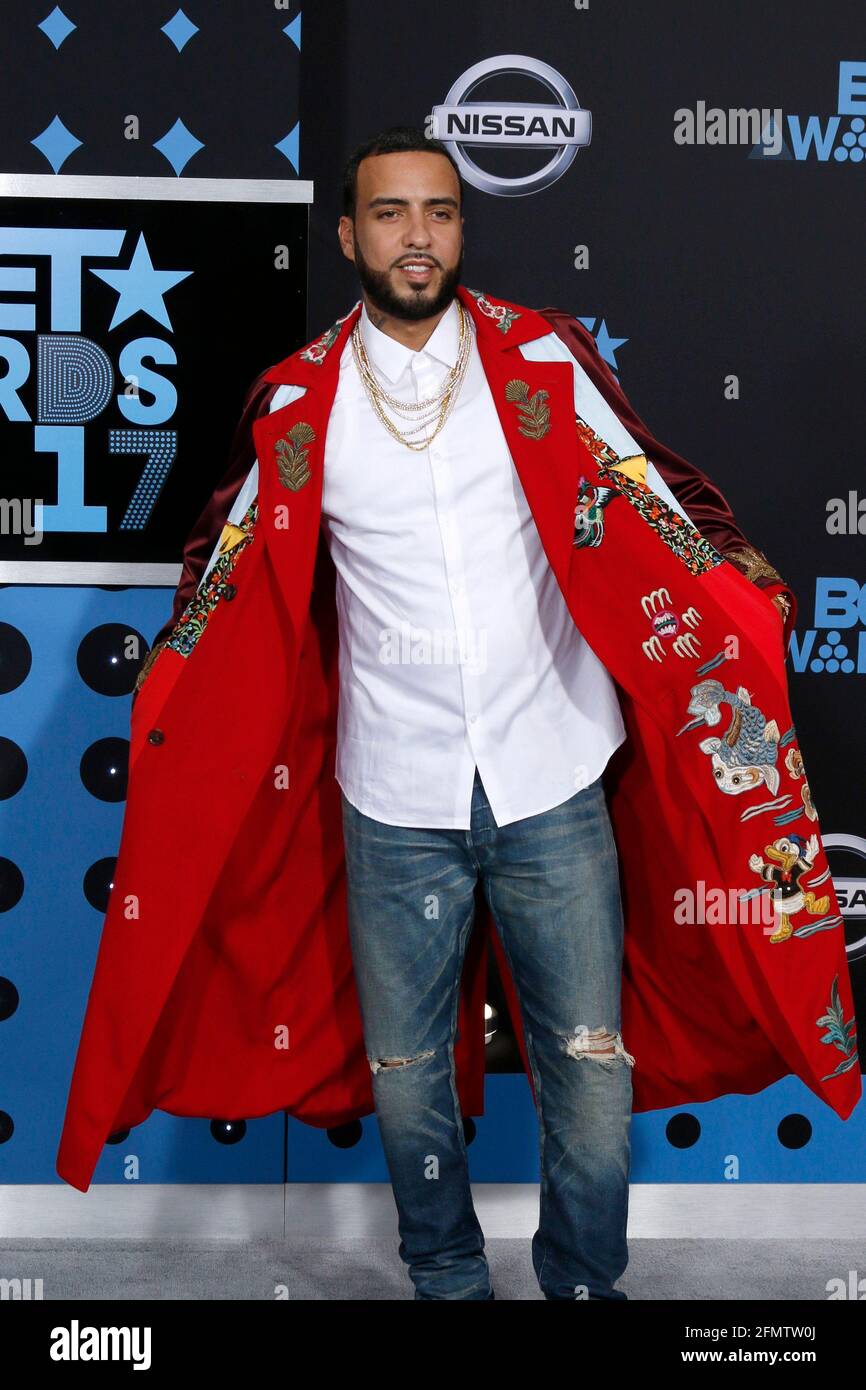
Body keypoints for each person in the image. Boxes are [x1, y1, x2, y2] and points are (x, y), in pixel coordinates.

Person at [59, 127, 857, 1301]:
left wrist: (736, 574)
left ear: (461, 229)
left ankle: (584, 1283)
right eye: (389, 214)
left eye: (437, 211)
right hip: (393, 795)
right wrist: (176, 669)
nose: (415, 235)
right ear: (348, 235)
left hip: (550, 777)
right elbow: (223, 564)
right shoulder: (296, 402)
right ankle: (444, 1279)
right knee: (404, 1073)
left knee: (588, 1068)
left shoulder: (541, 360)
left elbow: (652, 480)